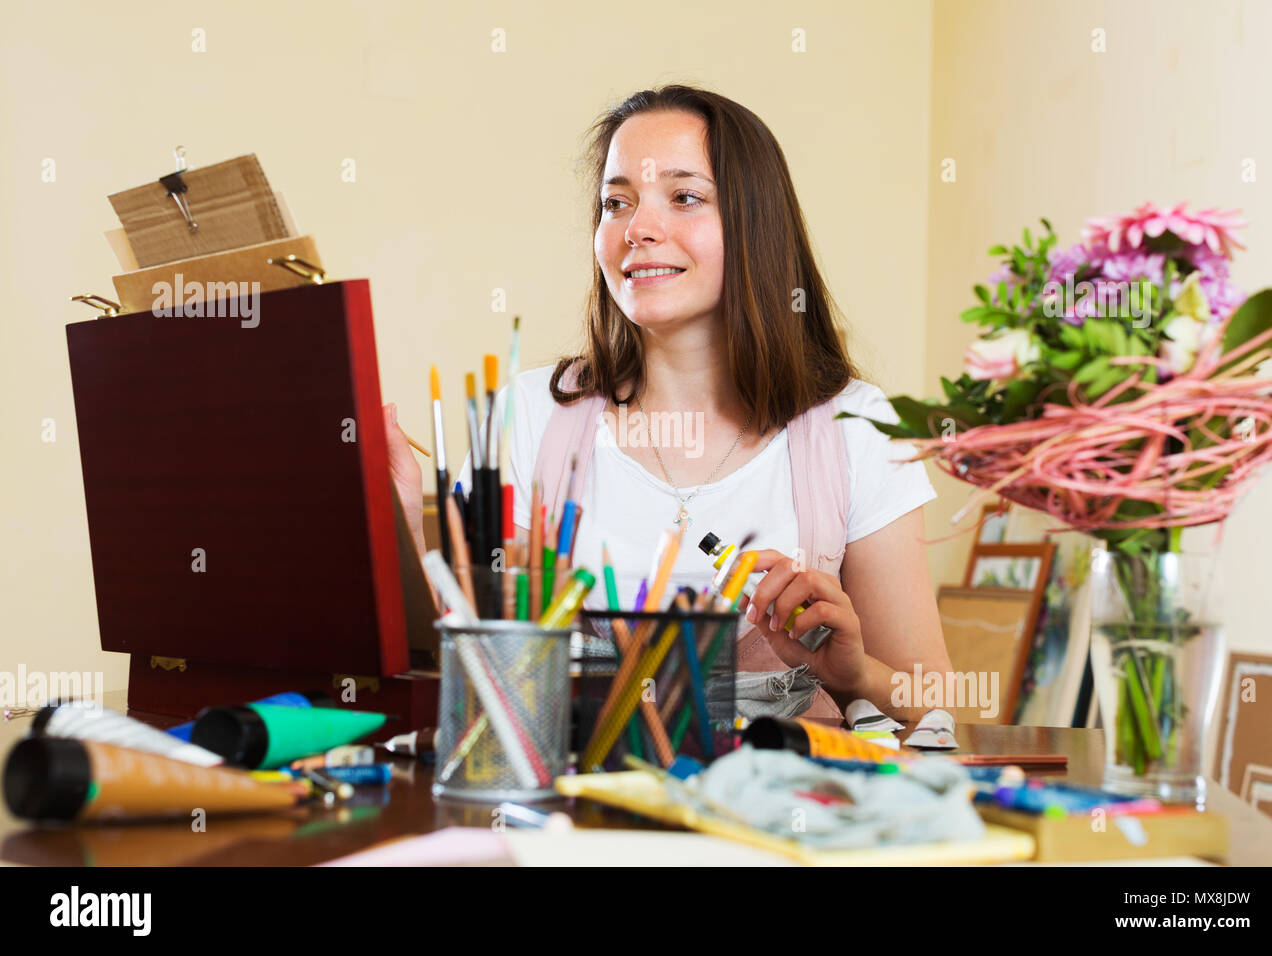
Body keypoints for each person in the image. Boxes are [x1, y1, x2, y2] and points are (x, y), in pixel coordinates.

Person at [386, 85, 952, 721]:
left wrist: (854, 674)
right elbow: (464, 688)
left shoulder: (859, 427)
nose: (637, 230)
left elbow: (944, 710)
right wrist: (399, 527)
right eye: (616, 202)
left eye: (684, 197)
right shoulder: (527, 415)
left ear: (756, 225)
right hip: (574, 818)